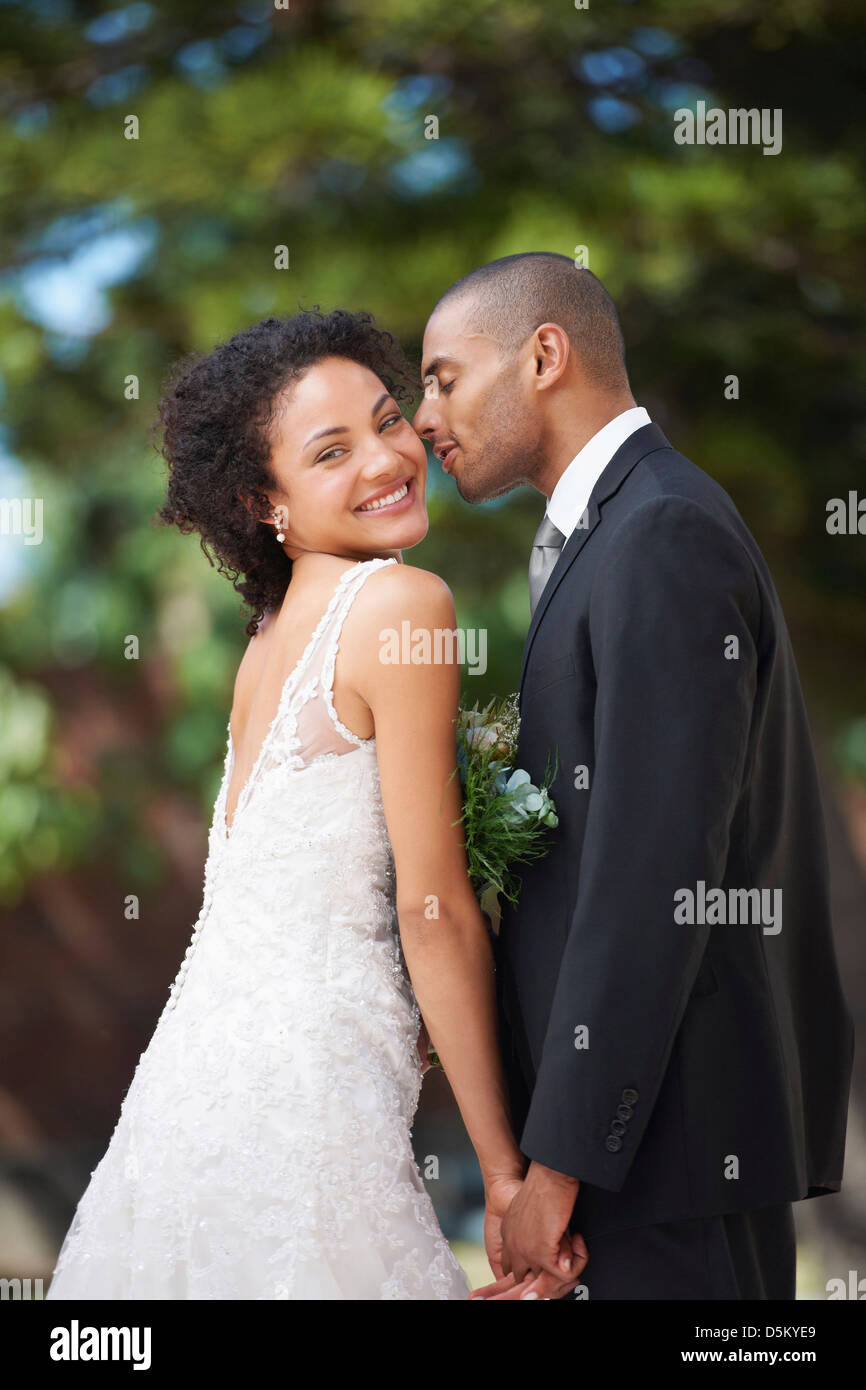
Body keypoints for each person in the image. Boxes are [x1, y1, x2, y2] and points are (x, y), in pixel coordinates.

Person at [45, 307, 584, 1300]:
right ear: (262, 499)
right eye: (332, 451)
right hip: (303, 1100)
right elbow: (431, 912)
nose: (386, 459)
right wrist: (505, 1173)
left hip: (186, 1104)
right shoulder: (398, 605)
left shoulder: (267, 642)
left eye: (388, 421)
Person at [413, 252, 855, 1301]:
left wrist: (560, 1162)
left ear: (543, 354)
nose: (426, 417)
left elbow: (654, 872)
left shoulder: (658, 531)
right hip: (642, 1155)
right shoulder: (613, 531)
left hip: (669, 1150)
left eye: (441, 376)